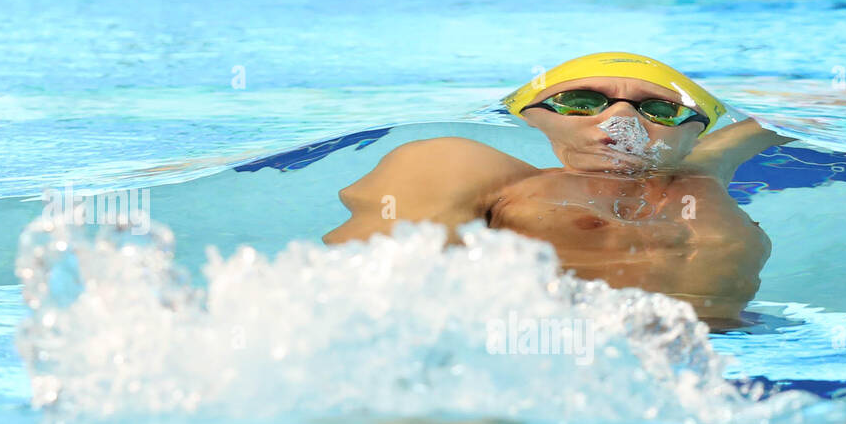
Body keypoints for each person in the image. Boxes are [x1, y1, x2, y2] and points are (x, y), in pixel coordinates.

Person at [323, 52, 794, 328]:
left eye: (661, 110)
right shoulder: (462, 165)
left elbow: (804, 113)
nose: (621, 120)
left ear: (694, 132)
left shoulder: (698, 178)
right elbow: (372, 295)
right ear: (531, 115)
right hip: (545, 367)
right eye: (581, 102)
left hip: (734, 364)